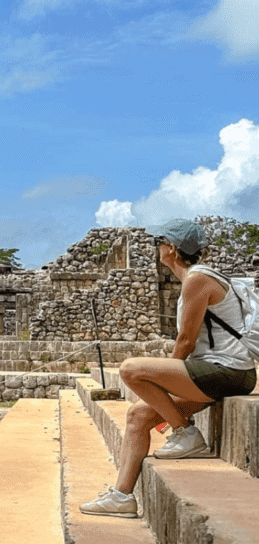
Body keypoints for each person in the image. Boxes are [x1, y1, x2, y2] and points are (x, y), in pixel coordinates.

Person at [80, 218, 258, 518]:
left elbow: (186, 340)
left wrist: (165, 381)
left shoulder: (197, 279)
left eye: (159, 243)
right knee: (137, 415)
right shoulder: (195, 277)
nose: (156, 249)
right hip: (213, 374)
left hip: (227, 372)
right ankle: (121, 496)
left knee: (131, 369)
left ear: (171, 249)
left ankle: (185, 433)